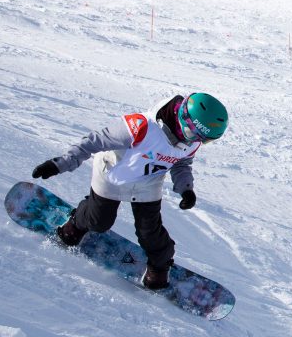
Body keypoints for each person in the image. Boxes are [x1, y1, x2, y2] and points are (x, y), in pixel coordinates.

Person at [31, 92, 228, 290]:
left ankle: (159, 267)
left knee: (150, 232)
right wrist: (61, 164)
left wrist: (186, 189)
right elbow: (94, 141)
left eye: (205, 141)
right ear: (185, 121)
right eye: (198, 136)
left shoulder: (191, 140)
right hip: (113, 173)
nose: (198, 143)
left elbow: (182, 163)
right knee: (99, 222)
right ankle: (77, 222)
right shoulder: (141, 126)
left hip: (147, 183)